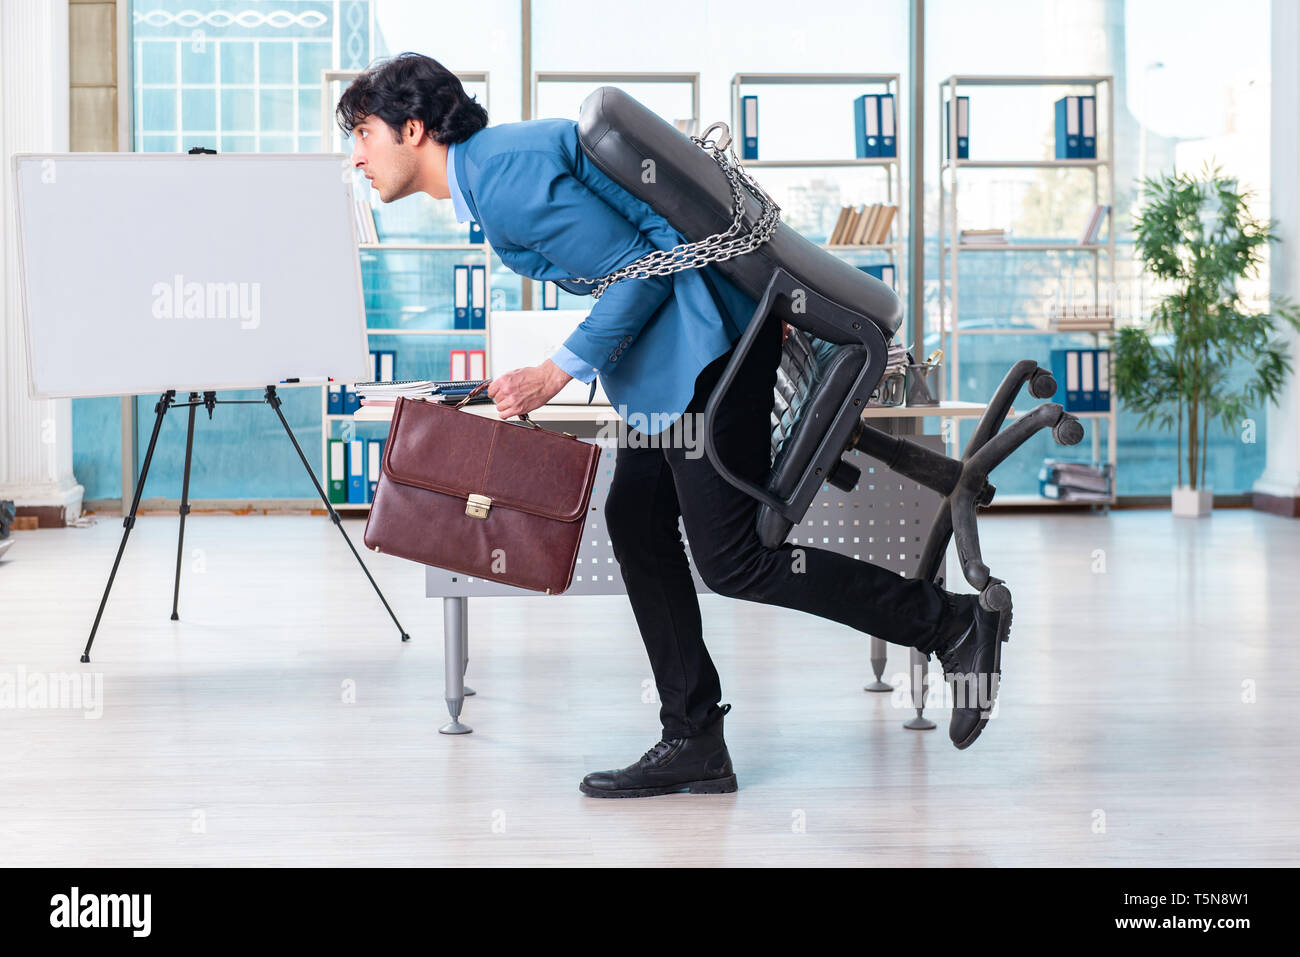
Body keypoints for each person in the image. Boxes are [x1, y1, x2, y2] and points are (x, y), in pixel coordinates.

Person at [337, 52, 1011, 799]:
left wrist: (555, 370)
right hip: (684, 362)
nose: (359, 156)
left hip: (705, 357)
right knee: (635, 519)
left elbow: (649, 265)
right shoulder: (498, 170)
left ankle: (951, 625)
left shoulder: (501, 179)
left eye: (363, 133)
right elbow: (644, 250)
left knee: (737, 561)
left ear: (414, 127)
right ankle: (694, 736)